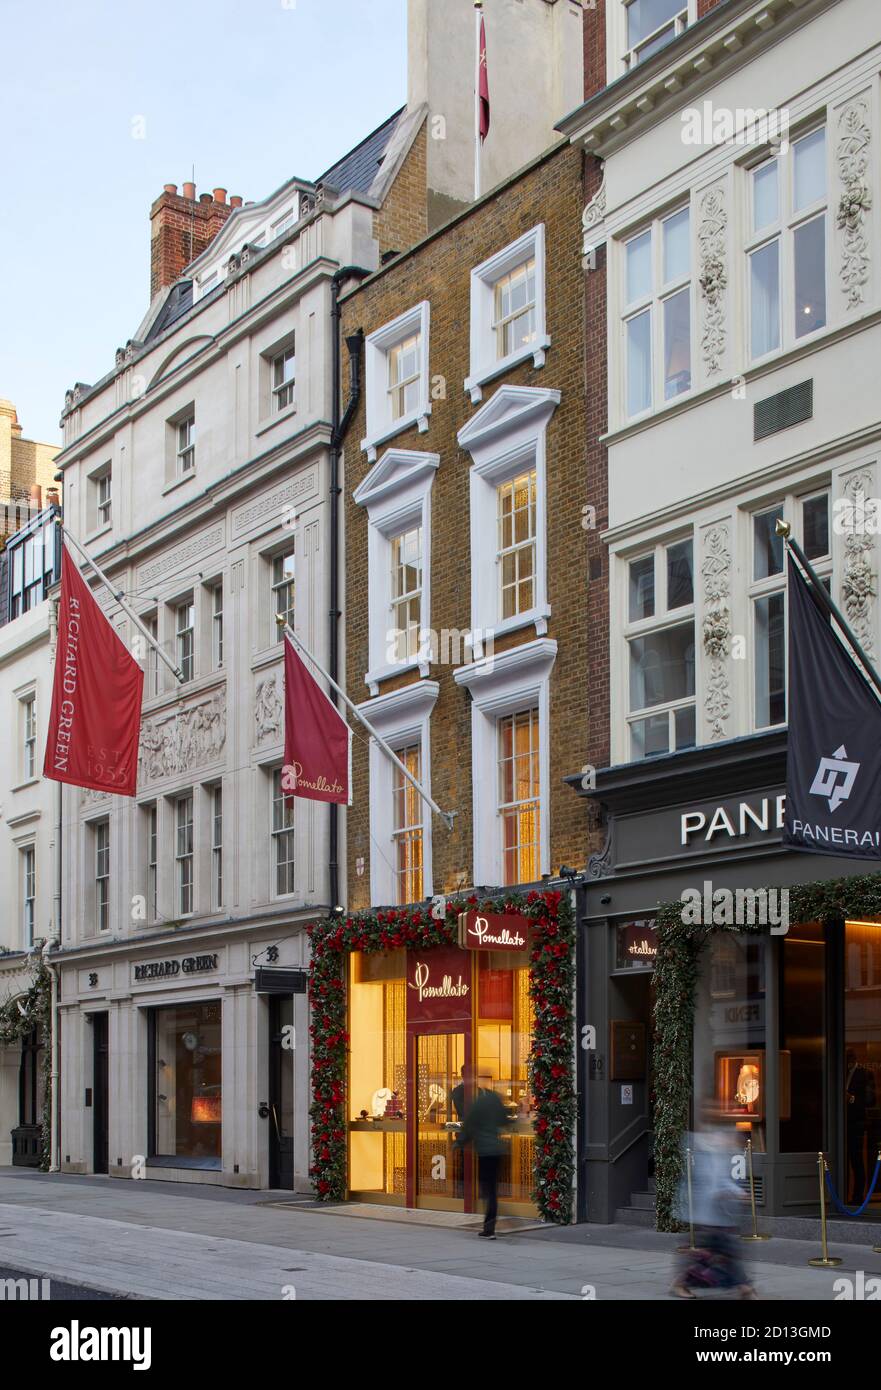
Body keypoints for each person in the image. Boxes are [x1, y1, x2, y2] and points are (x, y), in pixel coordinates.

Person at [670, 1104, 757, 1300]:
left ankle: (744, 1289)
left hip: (718, 1212)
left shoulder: (718, 1146)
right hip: (704, 1210)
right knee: (723, 1250)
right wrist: (731, 1192)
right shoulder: (698, 1146)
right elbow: (707, 1180)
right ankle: (745, 1289)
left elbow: (722, 1177)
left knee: (720, 1251)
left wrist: (737, 1192)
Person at [454, 1065, 513, 1238]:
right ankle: (491, 1224)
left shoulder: (476, 1101)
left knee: (487, 1190)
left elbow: (468, 1124)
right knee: (492, 1188)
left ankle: (490, 1227)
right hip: (498, 1149)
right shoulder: (493, 1097)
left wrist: (458, 1143)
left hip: (485, 1151)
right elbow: (504, 1120)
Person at [846, 1050, 876, 1204]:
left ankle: (858, 1196)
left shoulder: (865, 1073)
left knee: (856, 1160)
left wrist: (851, 1098)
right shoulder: (840, 1072)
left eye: (849, 1057)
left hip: (856, 1123)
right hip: (840, 1125)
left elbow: (871, 1100)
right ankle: (842, 1195)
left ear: (854, 1058)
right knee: (843, 1160)